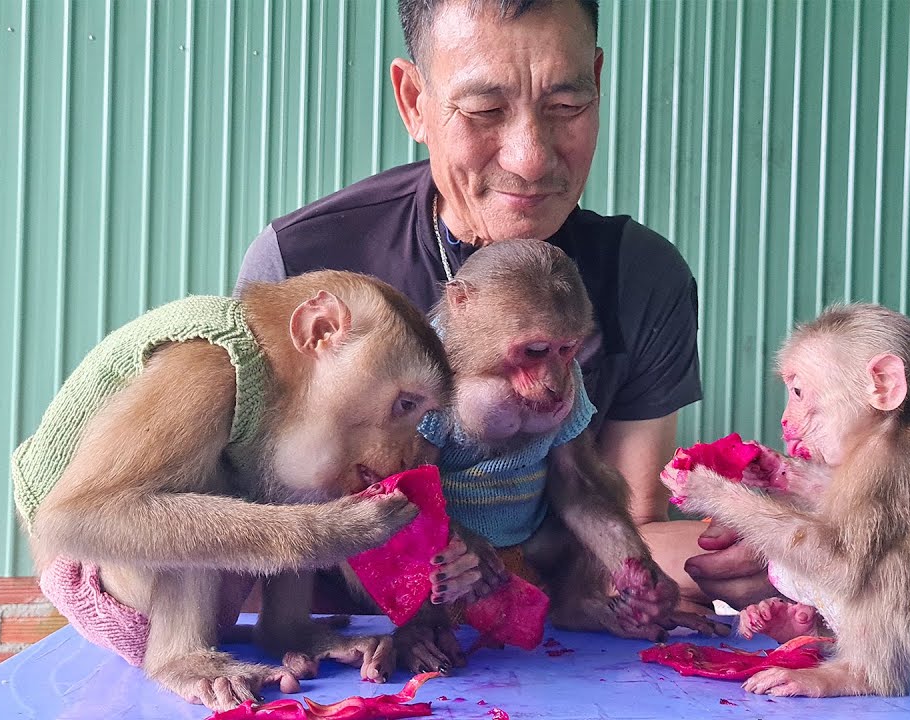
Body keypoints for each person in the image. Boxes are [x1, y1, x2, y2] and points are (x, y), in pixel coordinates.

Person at [235, 0, 772, 613]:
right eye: (486, 110)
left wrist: (778, 550)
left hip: (543, 625)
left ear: (597, 83)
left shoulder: (642, 275)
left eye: (566, 107)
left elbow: (631, 528)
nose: (531, 158)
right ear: (415, 102)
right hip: (346, 628)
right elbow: (250, 545)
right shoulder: (302, 267)